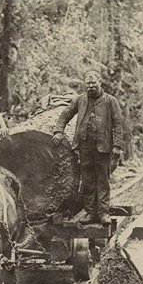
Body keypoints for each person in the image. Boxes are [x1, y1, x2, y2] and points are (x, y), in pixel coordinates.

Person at [51, 70, 122, 225]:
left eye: (93, 83)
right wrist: (58, 131)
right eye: (88, 83)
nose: (90, 86)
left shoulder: (110, 101)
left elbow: (118, 124)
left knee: (103, 181)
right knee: (88, 181)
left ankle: (103, 214)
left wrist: (117, 146)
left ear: (100, 82)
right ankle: (90, 213)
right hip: (84, 147)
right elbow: (65, 114)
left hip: (103, 148)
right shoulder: (80, 100)